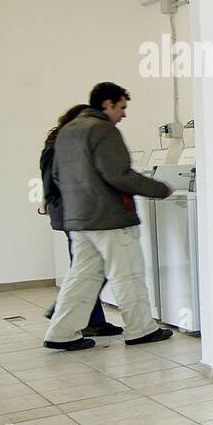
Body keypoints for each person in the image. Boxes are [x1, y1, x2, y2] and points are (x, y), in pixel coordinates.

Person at [43, 82, 174, 351]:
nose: (123, 115)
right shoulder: (103, 129)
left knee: (81, 278)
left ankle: (61, 332)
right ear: (107, 104)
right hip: (111, 220)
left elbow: (57, 175)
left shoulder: (67, 132)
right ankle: (141, 329)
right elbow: (118, 174)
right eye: (121, 107)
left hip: (79, 221)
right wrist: (161, 189)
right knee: (128, 274)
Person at [39, 104, 120, 336]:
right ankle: (69, 313)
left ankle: (92, 320)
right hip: (73, 215)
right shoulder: (59, 146)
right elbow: (51, 179)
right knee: (89, 267)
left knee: (88, 267)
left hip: (77, 213)